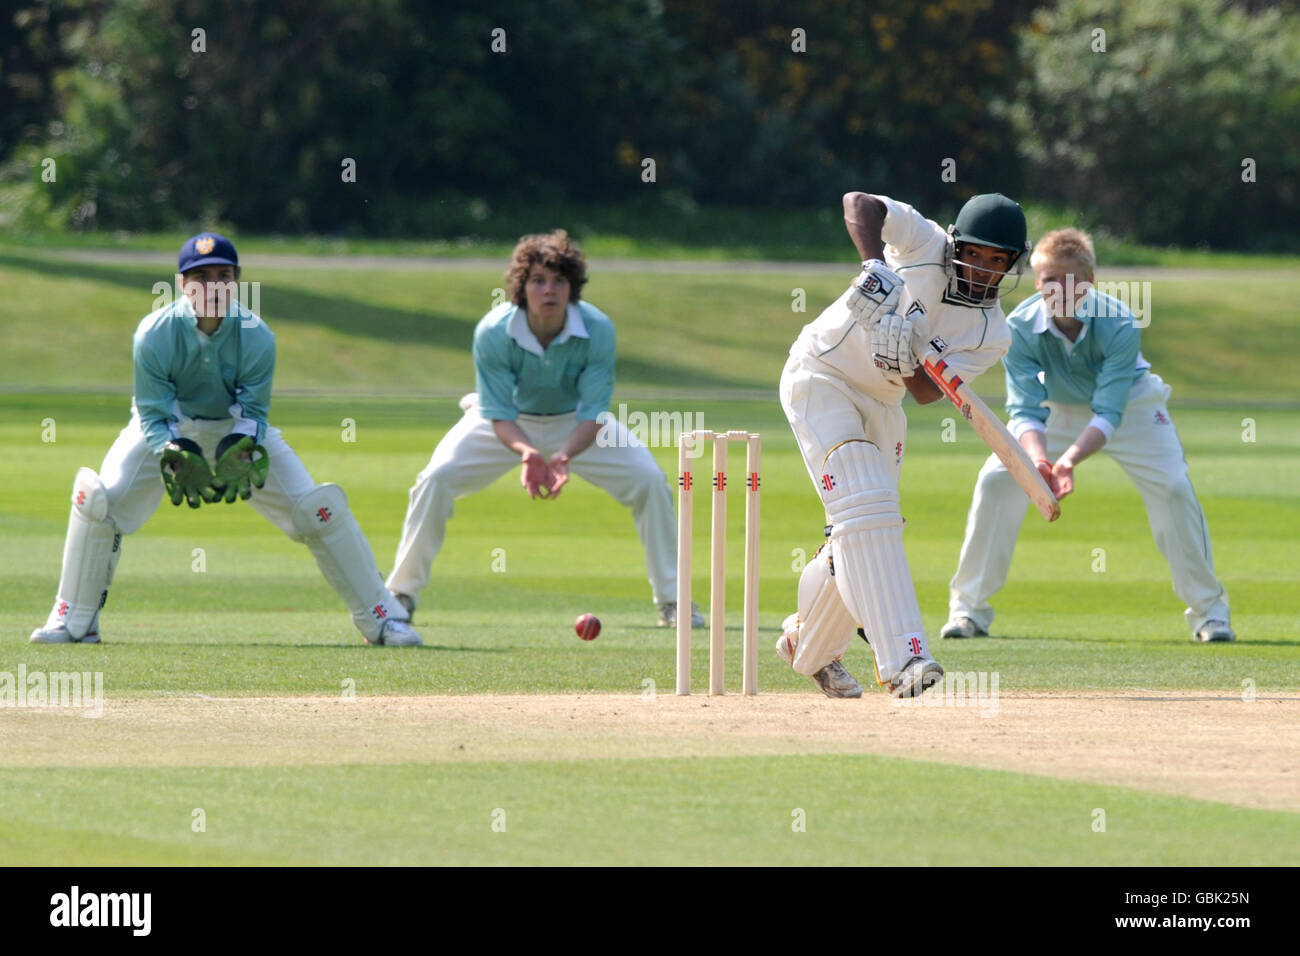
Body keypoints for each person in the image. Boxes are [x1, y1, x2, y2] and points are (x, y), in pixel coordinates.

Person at [29, 233, 422, 647]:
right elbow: (151, 411)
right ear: (182, 284)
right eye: (200, 277)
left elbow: (254, 411)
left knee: (316, 509)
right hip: (166, 426)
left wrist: (242, 446)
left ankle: (383, 618)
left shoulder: (257, 336)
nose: (212, 286)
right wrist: (171, 451)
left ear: (236, 281)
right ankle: (73, 620)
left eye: (223, 275)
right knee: (98, 499)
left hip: (234, 428)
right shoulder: (154, 334)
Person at [777, 192, 1031, 697]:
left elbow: (922, 392)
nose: (981, 269)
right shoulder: (923, 241)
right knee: (867, 506)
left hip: (885, 406)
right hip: (822, 375)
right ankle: (905, 659)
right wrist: (875, 265)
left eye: (996, 260)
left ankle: (809, 647)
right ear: (956, 243)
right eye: (974, 253)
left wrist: (900, 340)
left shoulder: (991, 333)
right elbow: (858, 202)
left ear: (1010, 265)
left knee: (861, 532)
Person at [385, 229, 702, 628]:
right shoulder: (493, 332)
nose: (548, 290)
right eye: (538, 281)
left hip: (578, 423)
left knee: (650, 480)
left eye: (558, 281)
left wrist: (564, 455)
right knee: (436, 478)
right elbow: (497, 412)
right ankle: (400, 595)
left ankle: (675, 600)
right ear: (522, 287)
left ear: (572, 288)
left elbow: (593, 413)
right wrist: (529, 453)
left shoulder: (598, 329)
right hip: (506, 423)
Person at [941, 228, 1234, 643]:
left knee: (1173, 489)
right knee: (995, 480)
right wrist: (1040, 463)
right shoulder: (1019, 326)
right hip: (1056, 412)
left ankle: (1211, 614)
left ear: (1090, 283)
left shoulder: (1119, 322)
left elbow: (1109, 412)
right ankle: (968, 611)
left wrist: (1067, 463)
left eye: (1069, 280)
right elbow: (1025, 409)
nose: (1058, 289)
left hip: (1133, 409)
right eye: (1048, 280)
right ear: (1036, 281)